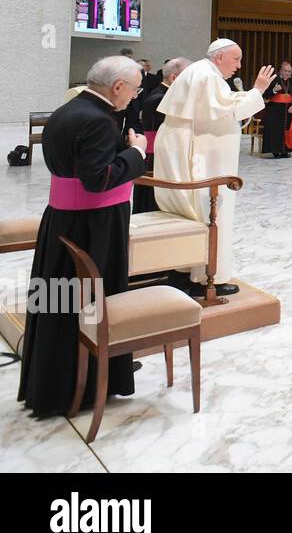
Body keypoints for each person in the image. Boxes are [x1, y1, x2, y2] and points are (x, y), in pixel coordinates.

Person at [17, 56, 148, 417]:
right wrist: (137, 152)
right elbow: (99, 179)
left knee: (58, 300)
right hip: (95, 225)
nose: (134, 97)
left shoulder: (68, 109)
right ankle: (87, 382)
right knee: (91, 302)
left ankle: (50, 381)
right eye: (134, 90)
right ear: (117, 87)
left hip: (63, 220)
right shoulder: (99, 122)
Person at [154, 40, 274, 297]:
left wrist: (250, 94)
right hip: (201, 158)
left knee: (189, 211)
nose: (239, 66)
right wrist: (257, 91)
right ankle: (207, 278)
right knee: (208, 211)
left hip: (190, 150)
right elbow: (227, 111)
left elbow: (224, 102)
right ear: (220, 57)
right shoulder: (207, 76)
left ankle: (185, 272)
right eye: (236, 59)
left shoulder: (202, 73)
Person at [132, 57, 191, 214]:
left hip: (162, 153)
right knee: (151, 203)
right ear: (174, 78)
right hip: (155, 157)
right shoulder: (160, 98)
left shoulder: (166, 95)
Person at [261, 61, 292, 159]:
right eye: (286, 71)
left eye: (290, 71)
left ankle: (285, 150)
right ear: (281, 71)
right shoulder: (274, 79)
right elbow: (265, 95)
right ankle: (275, 151)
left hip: (288, 110)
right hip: (274, 110)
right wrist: (274, 90)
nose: (288, 73)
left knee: (286, 130)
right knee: (275, 131)